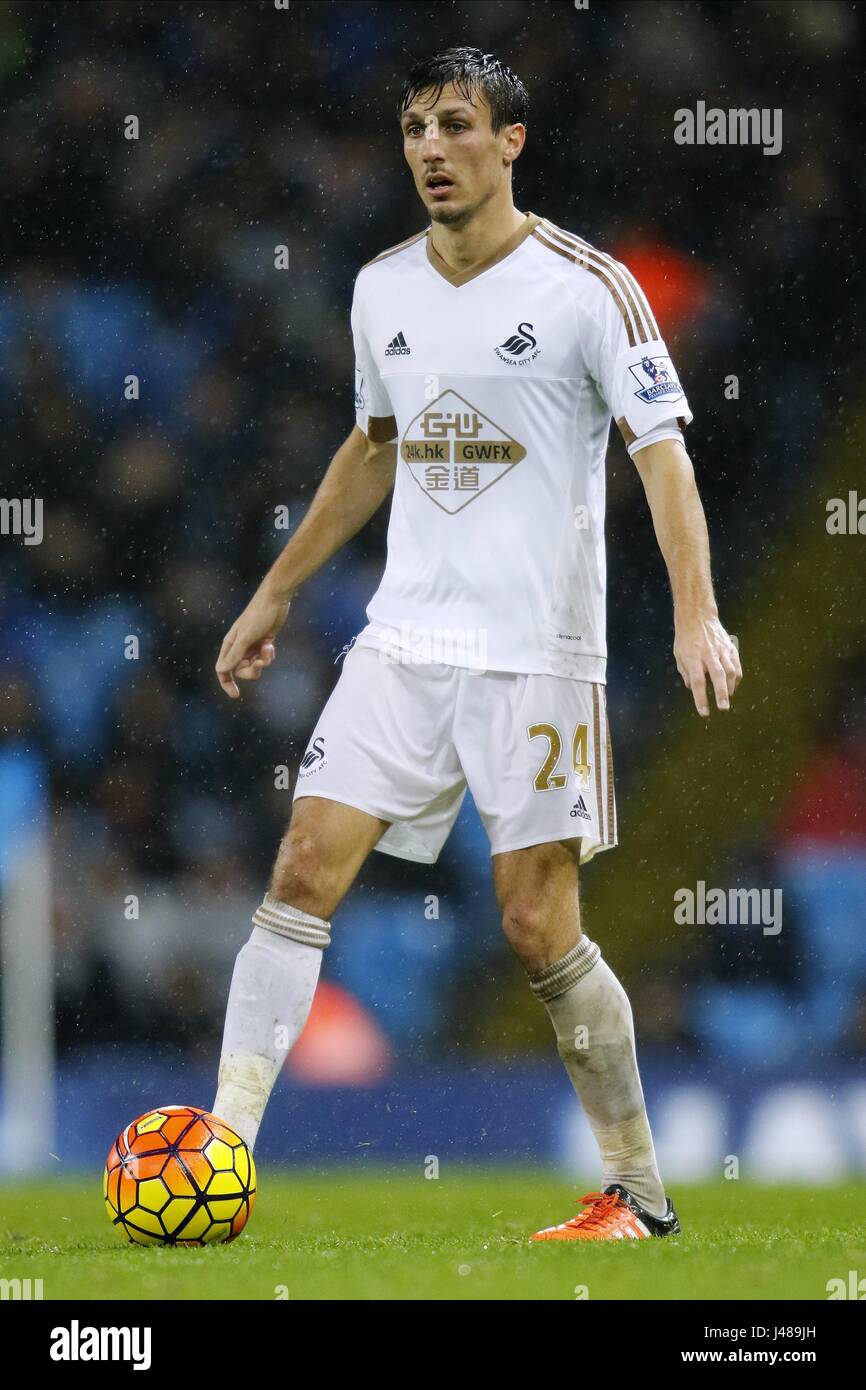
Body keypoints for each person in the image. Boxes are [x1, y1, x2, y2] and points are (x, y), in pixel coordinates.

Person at [212, 47, 742, 1241]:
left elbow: (662, 455)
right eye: (412, 129)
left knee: (533, 924)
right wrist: (275, 593)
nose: (429, 149)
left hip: (538, 652)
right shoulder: (380, 287)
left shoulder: (587, 288)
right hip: (402, 639)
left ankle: (639, 1194)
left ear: (509, 142)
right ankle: (223, 1153)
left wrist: (694, 609)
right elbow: (372, 445)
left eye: (455, 125)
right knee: (300, 866)